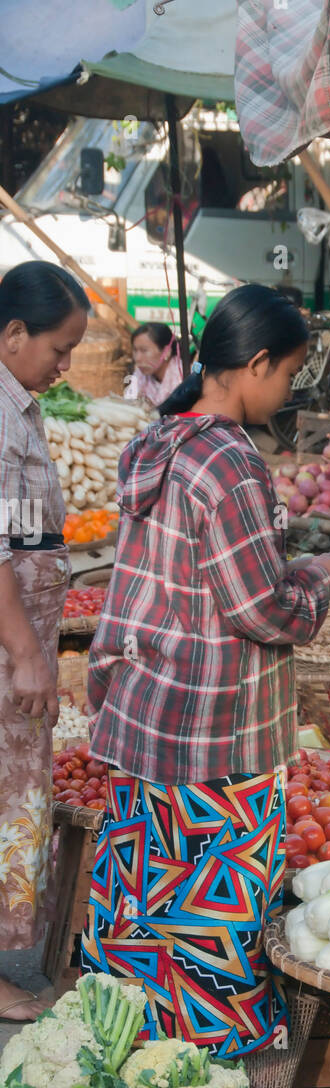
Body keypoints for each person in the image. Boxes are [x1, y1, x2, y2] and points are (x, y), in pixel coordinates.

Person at [81, 284, 330, 1088]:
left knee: (142, 898)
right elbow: (260, 609)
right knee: (219, 912)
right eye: (288, 376)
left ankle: (127, 1067)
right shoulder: (229, 460)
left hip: (143, 712)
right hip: (217, 728)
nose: (287, 394)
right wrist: (322, 580)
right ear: (256, 365)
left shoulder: (161, 441)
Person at [0, 261, 89, 1019]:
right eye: (59, 350)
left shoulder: (16, 406)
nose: (65, 367)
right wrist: (28, 653)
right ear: (13, 334)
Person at [124, 323, 184, 408]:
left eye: (144, 350)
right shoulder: (140, 376)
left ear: (166, 352)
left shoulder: (182, 379)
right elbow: (128, 404)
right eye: (135, 350)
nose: (137, 358)